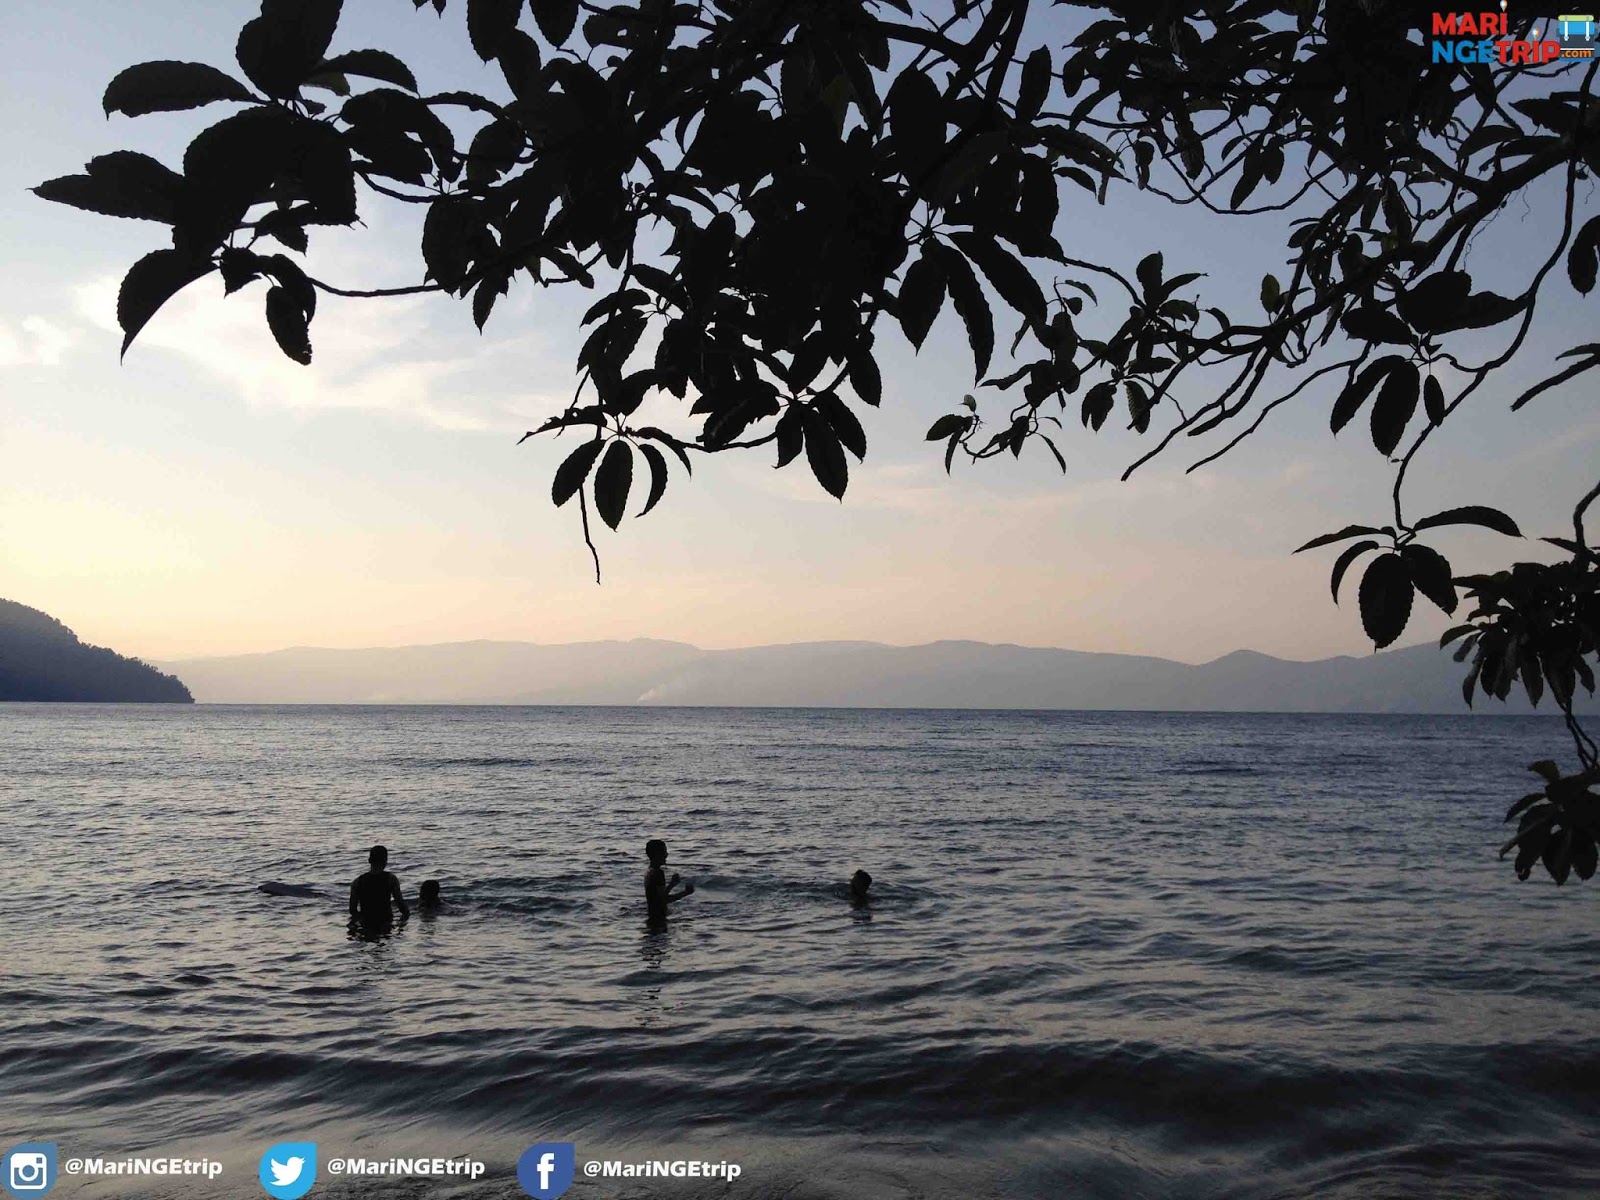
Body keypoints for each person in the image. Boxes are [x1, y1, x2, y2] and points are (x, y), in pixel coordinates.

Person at [349, 844, 409, 930]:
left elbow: (352, 910)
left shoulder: (357, 882)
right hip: (386, 922)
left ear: (369, 860)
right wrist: (402, 925)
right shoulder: (391, 879)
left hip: (366, 924)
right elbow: (402, 906)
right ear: (385, 861)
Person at [644, 838, 694, 925]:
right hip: (658, 919)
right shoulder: (658, 873)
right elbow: (663, 900)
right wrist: (685, 893)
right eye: (664, 852)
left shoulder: (649, 872)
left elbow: (658, 897)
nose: (666, 855)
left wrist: (672, 885)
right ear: (657, 854)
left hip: (652, 916)